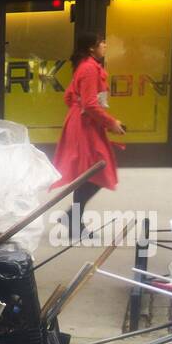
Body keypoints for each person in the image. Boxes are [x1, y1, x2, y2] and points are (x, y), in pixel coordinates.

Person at [52, 32, 125, 213]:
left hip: (83, 123)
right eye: (102, 43)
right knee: (95, 169)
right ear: (92, 47)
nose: (105, 46)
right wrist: (111, 122)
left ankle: (74, 218)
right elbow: (90, 104)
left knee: (88, 171)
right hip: (85, 126)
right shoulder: (89, 69)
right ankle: (73, 217)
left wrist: (79, 110)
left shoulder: (85, 67)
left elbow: (69, 96)